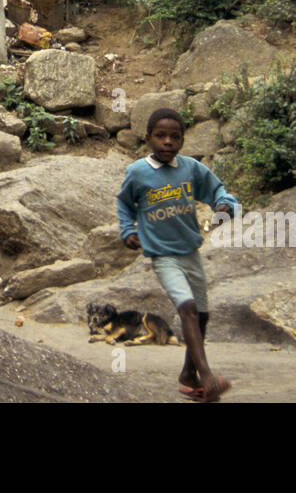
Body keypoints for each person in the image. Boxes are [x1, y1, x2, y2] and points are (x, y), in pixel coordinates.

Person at [116, 108, 237, 402]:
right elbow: (124, 204)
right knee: (188, 308)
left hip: (190, 252)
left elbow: (218, 189)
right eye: (160, 136)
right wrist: (127, 230)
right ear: (148, 139)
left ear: (182, 141)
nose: (167, 142)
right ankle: (207, 377)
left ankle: (187, 374)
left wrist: (223, 205)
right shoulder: (138, 172)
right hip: (163, 255)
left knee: (202, 315)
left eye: (175, 137)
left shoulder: (190, 169)